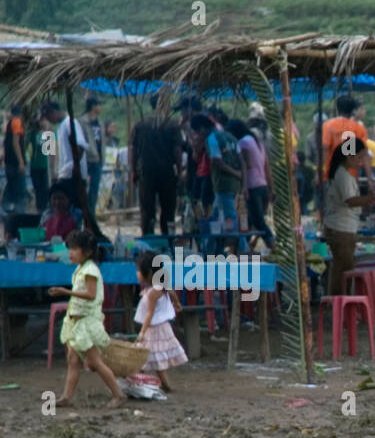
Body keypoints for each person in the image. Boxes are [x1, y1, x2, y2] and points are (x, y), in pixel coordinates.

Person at [48, 229, 125, 409]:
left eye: (75, 249)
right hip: (77, 322)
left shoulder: (91, 270)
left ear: (87, 252)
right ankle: (67, 396)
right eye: (70, 249)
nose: (71, 253)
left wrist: (64, 291)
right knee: (73, 360)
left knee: (95, 362)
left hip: (86, 323)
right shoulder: (81, 269)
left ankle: (118, 394)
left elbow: (90, 294)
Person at [323, 143, 375, 299]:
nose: (360, 162)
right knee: (343, 269)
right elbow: (350, 200)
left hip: (343, 226)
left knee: (342, 267)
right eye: (359, 157)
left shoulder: (342, 173)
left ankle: (341, 302)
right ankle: (340, 302)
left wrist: (368, 199)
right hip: (341, 228)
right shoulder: (342, 175)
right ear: (349, 156)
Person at [132, 250, 187, 391]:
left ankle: (139, 382)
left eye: (138, 270)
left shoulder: (153, 292)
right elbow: (171, 291)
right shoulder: (159, 286)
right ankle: (163, 383)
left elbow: (149, 314)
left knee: (143, 356)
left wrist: (142, 333)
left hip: (154, 328)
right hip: (159, 327)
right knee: (153, 357)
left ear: (149, 273)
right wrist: (176, 303)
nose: (137, 273)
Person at [190, 114, 242, 237]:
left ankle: (241, 248)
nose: (198, 135)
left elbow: (216, 162)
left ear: (202, 129)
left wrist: (237, 174)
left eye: (198, 132)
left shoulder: (211, 139)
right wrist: (240, 176)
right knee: (214, 216)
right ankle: (212, 248)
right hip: (232, 184)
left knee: (230, 217)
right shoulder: (230, 137)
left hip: (220, 184)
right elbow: (242, 161)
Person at [229, 119, 273, 248]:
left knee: (258, 221)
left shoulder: (243, 142)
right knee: (248, 221)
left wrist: (233, 171)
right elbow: (266, 167)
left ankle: (272, 245)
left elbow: (247, 164)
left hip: (252, 186)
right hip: (262, 184)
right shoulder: (256, 142)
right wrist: (271, 188)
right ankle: (242, 248)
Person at [321, 96, 374, 190]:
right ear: (353, 110)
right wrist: (370, 179)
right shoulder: (359, 127)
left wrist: (321, 171)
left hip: (332, 174)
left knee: (333, 203)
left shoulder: (328, 125)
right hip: (351, 175)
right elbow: (365, 155)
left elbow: (325, 149)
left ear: (337, 109)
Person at [27, 105, 57, 213]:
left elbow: (52, 153)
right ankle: (39, 210)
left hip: (45, 167)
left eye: (44, 120)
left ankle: (45, 211)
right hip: (35, 166)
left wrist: (53, 169)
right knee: (37, 190)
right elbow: (28, 146)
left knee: (45, 191)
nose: (42, 122)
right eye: (40, 120)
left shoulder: (49, 134)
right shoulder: (33, 134)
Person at [81, 97, 104, 213]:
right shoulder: (82, 121)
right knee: (84, 190)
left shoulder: (99, 122)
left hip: (97, 160)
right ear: (93, 106)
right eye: (99, 104)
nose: (101, 107)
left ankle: (91, 215)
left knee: (94, 190)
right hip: (86, 159)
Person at [3, 104, 26, 213]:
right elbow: (15, 142)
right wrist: (21, 161)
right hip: (15, 164)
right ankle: (19, 218)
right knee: (20, 193)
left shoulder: (9, 124)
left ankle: (8, 214)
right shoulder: (17, 122)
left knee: (11, 191)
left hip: (9, 163)